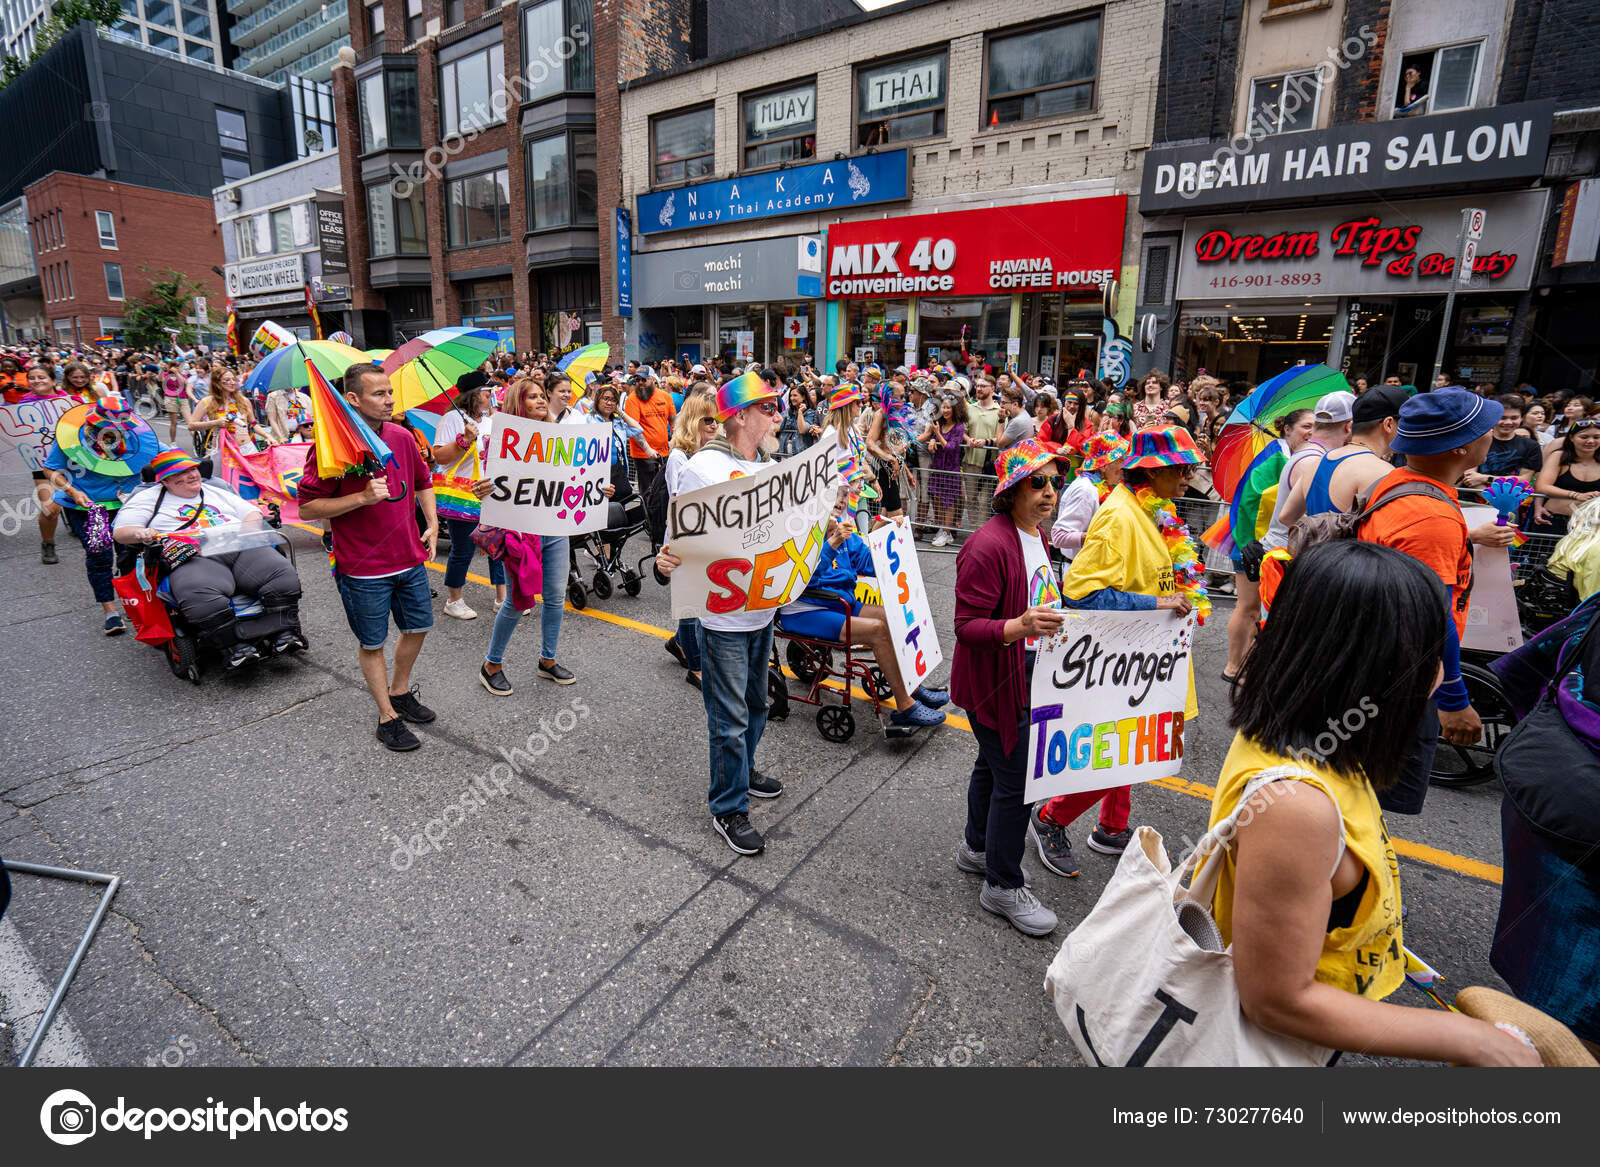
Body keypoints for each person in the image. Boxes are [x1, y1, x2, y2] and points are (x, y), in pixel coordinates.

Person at [1214, 539, 1537, 1065]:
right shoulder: (1295, 807)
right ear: (1372, 668)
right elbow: (1275, 1000)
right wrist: (1475, 1042)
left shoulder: (1314, 734)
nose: (1440, 674)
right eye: (1430, 654)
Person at [1031, 428, 1204, 872]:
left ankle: (1112, 827)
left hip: (1146, 660)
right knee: (1126, 754)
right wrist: (1157, 603)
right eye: (1181, 467)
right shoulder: (1119, 516)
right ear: (1152, 470)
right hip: (1122, 661)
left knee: (1134, 745)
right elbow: (1081, 592)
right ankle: (1050, 817)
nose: (1190, 475)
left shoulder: (1155, 510)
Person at [1359, 388, 1513, 815]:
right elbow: (1432, 618)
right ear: (1462, 445)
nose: (1494, 433)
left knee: (1358, 791)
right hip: (1406, 677)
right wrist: (1453, 698)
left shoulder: (1397, 482)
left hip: (1378, 662)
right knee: (1371, 799)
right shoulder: (1434, 518)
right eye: (1487, 427)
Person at [654, 372, 787, 856]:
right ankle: (728, 806)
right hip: (722, 619)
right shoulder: (702, 470)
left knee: (756, 705)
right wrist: (667, 562)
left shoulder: (772, 469)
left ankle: (743, 771)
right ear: (741, 416)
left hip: (761, 612)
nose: (778, 416)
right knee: (728, 717)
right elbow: (678, 543)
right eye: (769, 408)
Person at [951, 437, 1074, 935]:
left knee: (992, 764)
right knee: (1018, 780)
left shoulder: (1035, 535)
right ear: (1012, 489)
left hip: (1024, 676)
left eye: (1054, 482)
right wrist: (1019, 627)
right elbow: (964, 626)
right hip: (995, 683)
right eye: (1037, 482)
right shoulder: (988, 544)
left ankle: (976, 847)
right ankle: (1002, 885)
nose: (1049, 492)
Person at [297, 364, 439, 753]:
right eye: (379, 394)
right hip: (362, 568)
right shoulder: (330, 447)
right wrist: (361, 497)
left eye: (390, 392)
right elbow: (308, 508)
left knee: (418, 628)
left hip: (408, 559)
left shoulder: (401, 436)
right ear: (353, 399)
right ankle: (386, 716)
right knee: (372, 643)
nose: (390, 400)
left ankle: (400, 691)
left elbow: (423, 482)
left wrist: (432, 522)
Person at [113, 449, 305, 667]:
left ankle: (284, 633)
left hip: (238, 545)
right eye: (180, 475)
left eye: (192, 469)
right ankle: (234, 646)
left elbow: (251, 512)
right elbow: (121, 532)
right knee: (200, 593)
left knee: (281, 575)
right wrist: (140, 533)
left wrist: (248, 531)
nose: (191, 476)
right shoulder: (148, 498)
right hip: (193, 555)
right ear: (165, 481)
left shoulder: (216, 489)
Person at [779, 497, 947, 731]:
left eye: (843, 496)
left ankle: (912, 687)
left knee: (894, 617)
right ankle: (905, 707)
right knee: (877, 630)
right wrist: (834, 542)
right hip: (808, 609)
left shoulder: (845, 535)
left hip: (840, 603)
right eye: (834, 496)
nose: (840, 501)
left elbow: (872, 562)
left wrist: (892, 536)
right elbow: (805, 579)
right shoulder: (801, 536)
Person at [473, 377, 580, 691]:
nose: (540, 401)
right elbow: (492, 485)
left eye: (541, 396)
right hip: (521, 532)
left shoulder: (558, 438)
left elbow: (574, 476)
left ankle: (547, 660)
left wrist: (598, 489)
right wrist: (482, 489)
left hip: (556, 528)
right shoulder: (500, 441)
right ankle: (491, 664)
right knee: (519, 601)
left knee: (555, 599)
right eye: (532, 397)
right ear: (518, 403)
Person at [43, 392, 162, 633]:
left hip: (128, 506)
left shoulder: (138, 438)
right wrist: (72, 490)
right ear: (91, 423)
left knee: (132, 555)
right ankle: (110, 610)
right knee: (100, 557)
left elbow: (167, 454)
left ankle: (133, 602)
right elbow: (51, 469)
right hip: (90, 508)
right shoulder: (72, 440)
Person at [1222, 406, 1319, 684]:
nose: (1311, 432)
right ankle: (1233, 666)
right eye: (1305, 426)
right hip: (1253, 543)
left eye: (1315, 426)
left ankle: (1250, 665)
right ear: (1287, 429)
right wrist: (1252, 545)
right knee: (1249, 605)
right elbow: (1251, 502)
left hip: (1267, 545)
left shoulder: (1294, 456)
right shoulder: (1275, 455)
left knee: (1261, 607)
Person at [661, 393, 720, 689]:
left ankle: (680, 644)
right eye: (707, 419)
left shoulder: (716, 453)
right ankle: (695, 668)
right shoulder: (679, 456)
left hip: (710, 536)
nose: (713, 425)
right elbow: (680, 502)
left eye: (716, 419)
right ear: (693, 420)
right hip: (684, 537)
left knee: (704, 602)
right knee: (690, 604)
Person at [433, 383, 505, 621]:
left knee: (497, 546)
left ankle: (502, 599)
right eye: (486, 393)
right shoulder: (453, 418)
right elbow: (439, 456)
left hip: (491, 491)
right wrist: (464, 440)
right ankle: (454, 600)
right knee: (463, 549)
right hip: (464, 493)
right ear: (473, 395)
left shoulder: (490, 420)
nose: (491, 397)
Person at [18, 363, 69, 564]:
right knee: (50, 508)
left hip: (73, 463)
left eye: (42, 377)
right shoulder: (21, 405)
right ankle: (48, 544)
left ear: (53, 380)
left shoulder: (70, 401)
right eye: (32, 378)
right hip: (41, 463)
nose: (37, 381)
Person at [622, 370, 674, 532]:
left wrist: (674, 440)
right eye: (637, 380)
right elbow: (634, 428)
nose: (640, 383)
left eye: (643, 379)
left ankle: (662, 521)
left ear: (652, 380)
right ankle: (651, 526)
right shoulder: (632, 399)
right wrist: (647, 448)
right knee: (649, 490)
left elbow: (673, 420)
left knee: (664, 489)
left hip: (665, 452)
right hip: (643, 454)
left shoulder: (665, 397)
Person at [1536, 419, 1600, 537]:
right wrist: (1577, 495)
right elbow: (1542, 486)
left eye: (1596, 437)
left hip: (1592, 525)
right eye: (1584, 437)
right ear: (1571, 437)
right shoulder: (1559, 456)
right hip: (1554, 519)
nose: (1590, 441)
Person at [919, 393, 968, 547]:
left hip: (950, 468)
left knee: (949, 502)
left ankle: (947, 532)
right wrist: (933, 439)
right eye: (943, 407)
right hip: (937, 467)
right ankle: (942, 529)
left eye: (948, 407)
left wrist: (937, 434)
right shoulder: (939, 423)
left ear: (955, 409)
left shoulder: (959, 427)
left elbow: (951, 448)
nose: (945, 410)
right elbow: (934, 438)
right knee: (938, 499)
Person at [1462, 395, 1544, 488]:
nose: (1508, 422)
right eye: (1503, 418)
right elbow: (1470, 477)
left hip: (1512, 499)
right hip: (1475, 499)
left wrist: (1485, 478)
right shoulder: (1478, 440)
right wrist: (1491, 499)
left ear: (1522, 418)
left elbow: (1524, 479)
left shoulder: (1531, 446)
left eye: (1514, 418)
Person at [996, 385, 1035, 451]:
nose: (1001, 406)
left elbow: (1000, 444)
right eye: (1000, 402)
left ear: (1015, 404)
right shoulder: (1024, 414)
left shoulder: (1017, 421)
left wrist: (1001, 420)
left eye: (1003, 403)